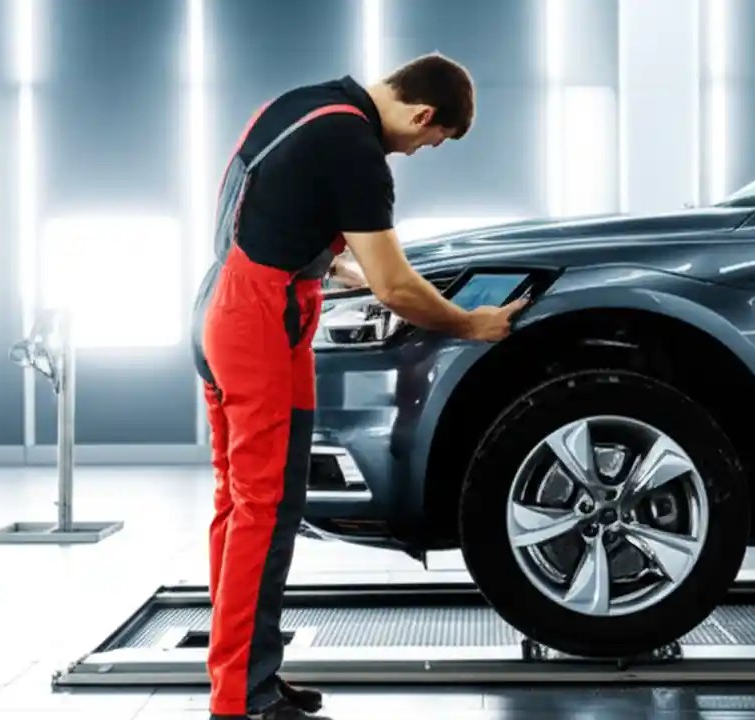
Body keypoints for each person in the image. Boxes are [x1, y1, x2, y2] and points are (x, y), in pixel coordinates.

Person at [191, 53, 527, 720]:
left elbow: (265, 208)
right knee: (263, 511)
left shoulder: (305, 103)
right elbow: (397, 287)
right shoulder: (358, 151)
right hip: (261, 322)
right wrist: (471, 323)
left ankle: (248, 674)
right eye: (432, 141)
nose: (420, 151)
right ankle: (241, 698)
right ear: (423, 115)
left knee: (243, 505)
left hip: (225, 303)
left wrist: (329, 265)